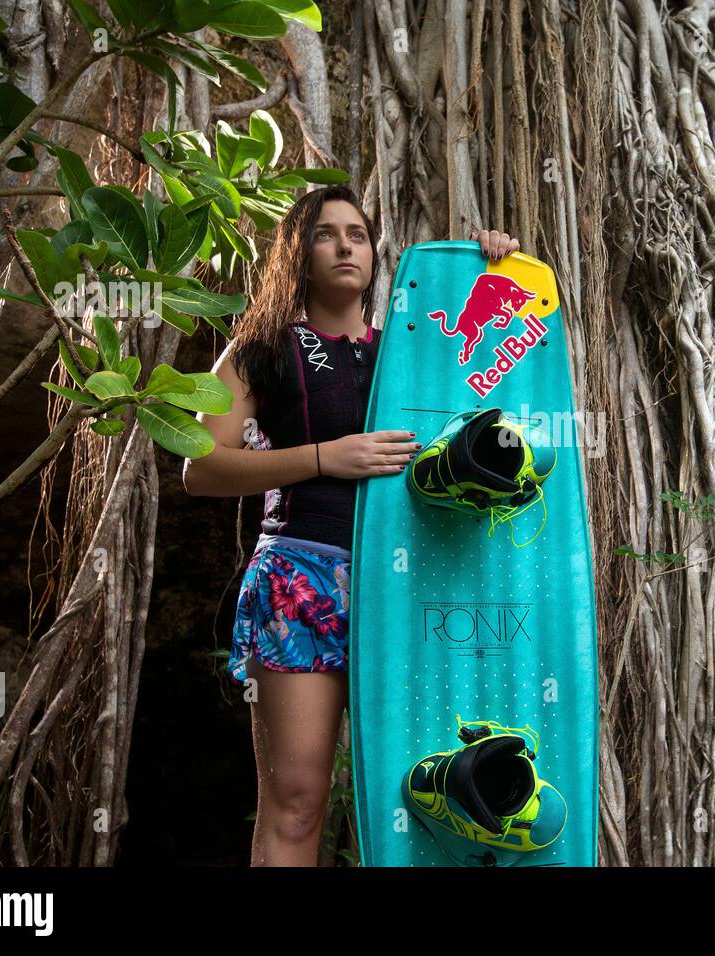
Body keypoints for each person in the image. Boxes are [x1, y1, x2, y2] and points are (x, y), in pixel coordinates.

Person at [182, 183, 520, 865]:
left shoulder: (414, 351)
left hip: (412, 585)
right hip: (300, 580)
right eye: (325, 234)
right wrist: (318, 458)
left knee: (423, 793)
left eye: (358, 234)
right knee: (299, 796)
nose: (344, 246)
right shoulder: (262, 349)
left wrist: (488, 266)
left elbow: (494, 362)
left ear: (375, 253)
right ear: (299, 255)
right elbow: (200, 468)